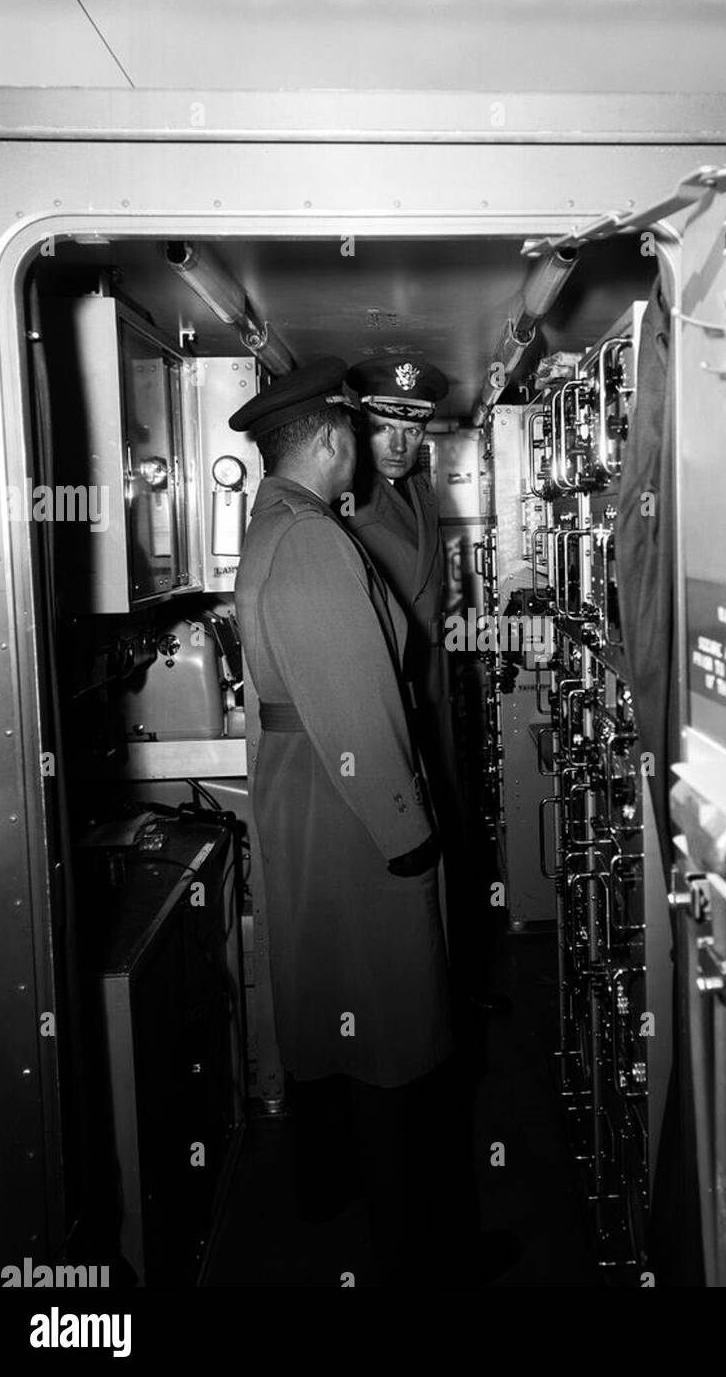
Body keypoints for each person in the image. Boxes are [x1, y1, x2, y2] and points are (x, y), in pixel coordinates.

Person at [231, 359, 457, 1283]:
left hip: (315, 797)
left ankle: (340, 1204)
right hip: (355, 815)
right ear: (331, 440)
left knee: (345, 1019)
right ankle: (418, 1254)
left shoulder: (275, 525)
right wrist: (409, 836)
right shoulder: (316, 541)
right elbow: (361, 705)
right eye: (356, 435)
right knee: (398, 1038)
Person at [345, 356, 509, 1018]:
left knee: (450, 834)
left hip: (435, 694)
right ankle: (414, 1007)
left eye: (412, 427)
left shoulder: (418, 489)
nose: (401, 443)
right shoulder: (344, 499)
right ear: (360, 426)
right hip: (390, 700)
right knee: (402, 851)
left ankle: (451, 987)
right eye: (386, 426)